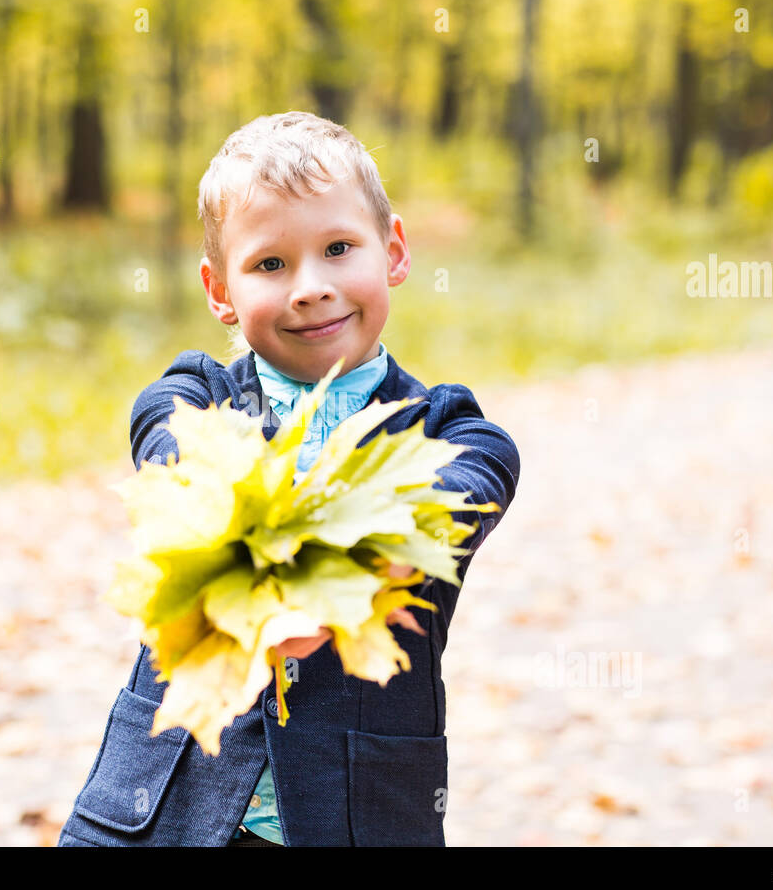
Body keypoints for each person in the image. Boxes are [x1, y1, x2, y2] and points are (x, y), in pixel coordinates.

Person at [56, 111, 519, 847]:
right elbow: (166, 439)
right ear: (220, 290)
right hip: (172, 810)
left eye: (339, 248)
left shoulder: (438, 429)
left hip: (354, 817)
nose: (310, 287)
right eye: (270, 264)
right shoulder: (199, 397)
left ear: (393, 250)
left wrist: (371, 554)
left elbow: (479, 474)